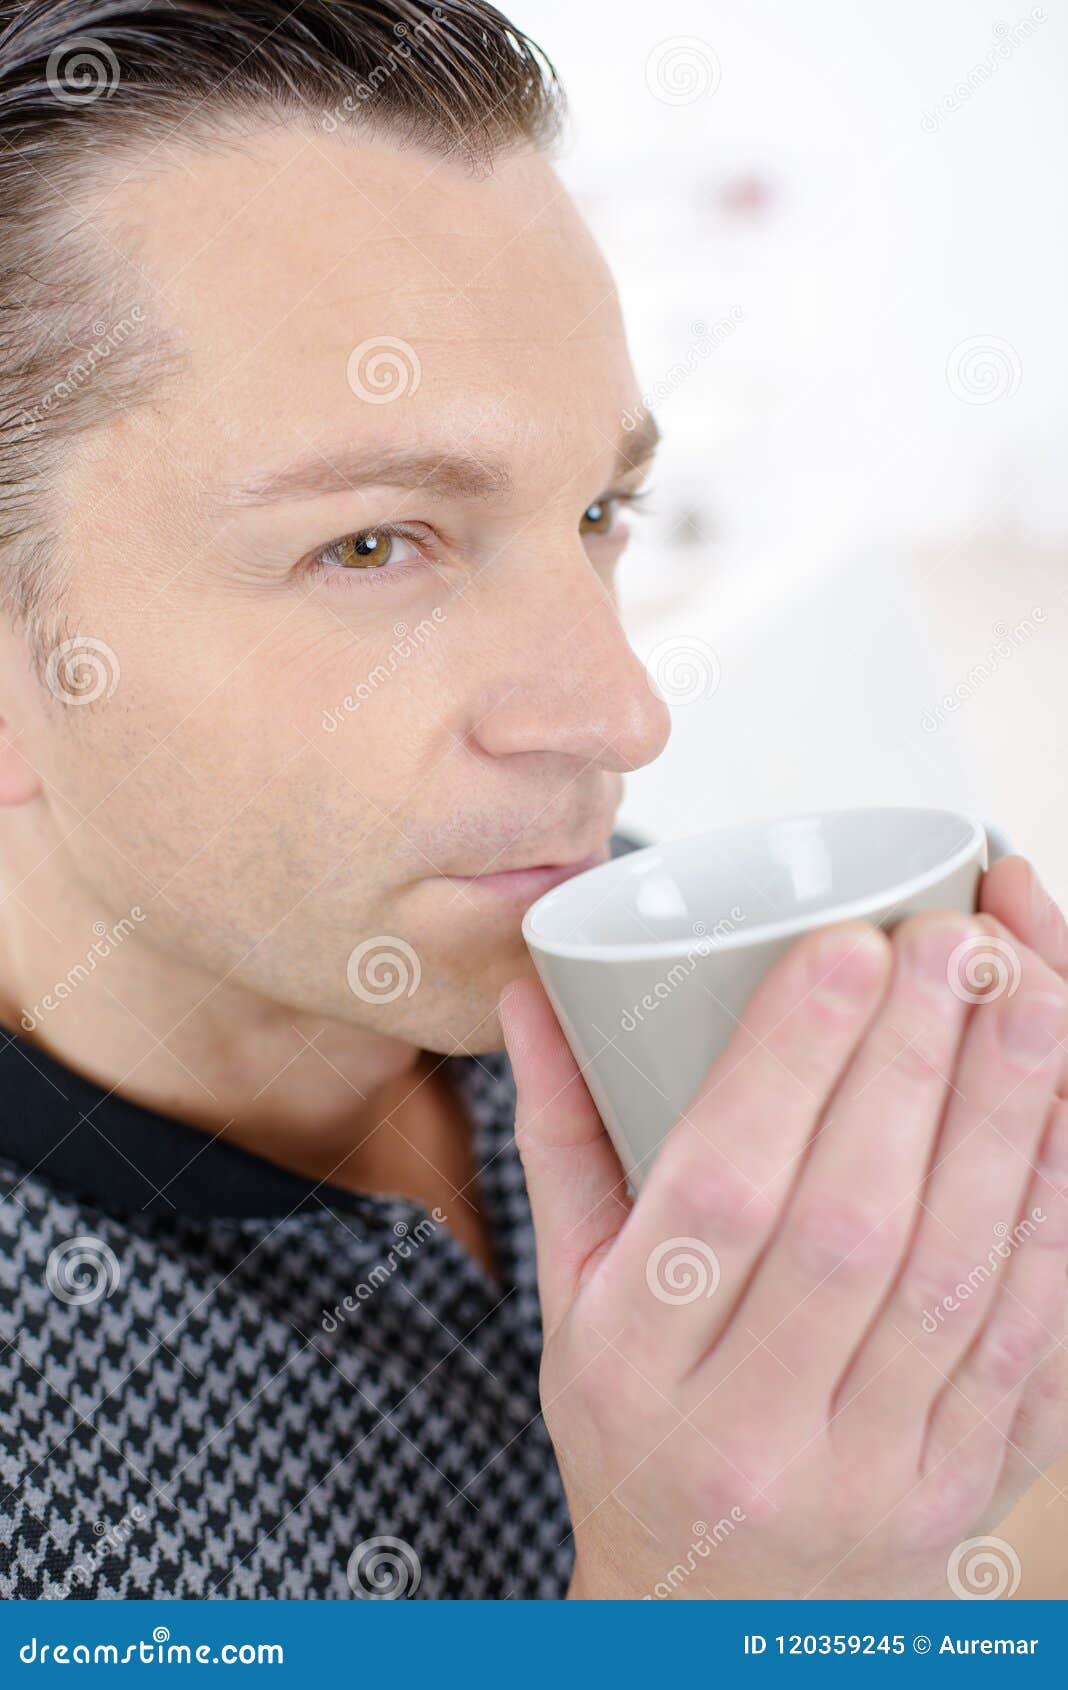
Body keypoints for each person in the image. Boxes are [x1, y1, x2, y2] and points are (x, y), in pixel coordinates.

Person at [0, 0, 1064, 1601]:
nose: (621, 718)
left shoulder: (666, 971)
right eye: (374, 543)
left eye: (596, 508)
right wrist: (718, 1604)